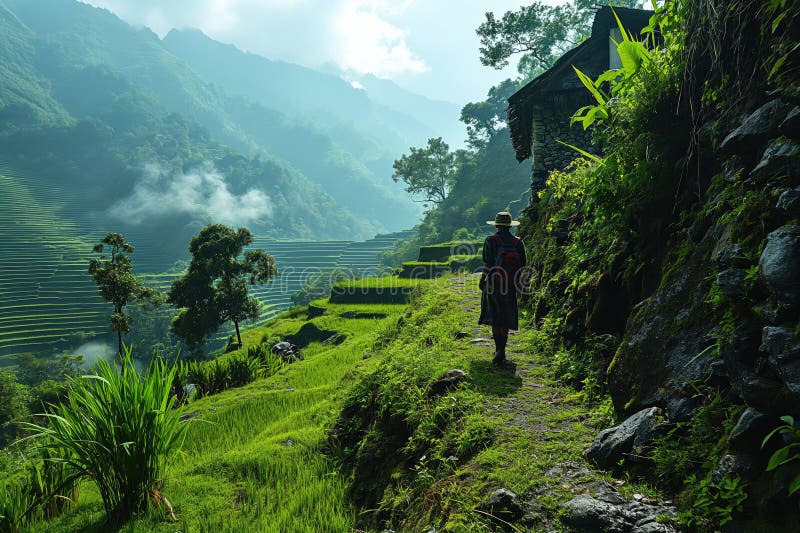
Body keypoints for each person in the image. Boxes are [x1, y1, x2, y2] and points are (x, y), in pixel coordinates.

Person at [478, 211, 527, 365]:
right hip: (510, 285)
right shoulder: (518, 243)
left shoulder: (491, 240)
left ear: (497, 225)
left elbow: (487, 263)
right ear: (509, 225)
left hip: (493, 284)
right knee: (505, 317)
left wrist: (482, 279)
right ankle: (502, 350)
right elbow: (523, 265)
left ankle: (498, 349)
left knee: (495, 317)